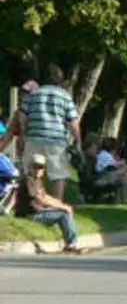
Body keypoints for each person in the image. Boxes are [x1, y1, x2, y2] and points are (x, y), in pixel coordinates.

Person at [18, 66, 81, 201]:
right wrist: (78, 140)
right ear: (60, 80)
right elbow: (73, 122)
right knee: (58, 175)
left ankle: (27, 203)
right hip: (56, 140)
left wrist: (23, 134)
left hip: (34, 137)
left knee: (29, 172)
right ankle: (56, 204)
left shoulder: (33, 94)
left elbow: (22, 115)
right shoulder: (65, 96)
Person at [14, 153, 86, 254]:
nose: (37, 170)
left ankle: (70, 243)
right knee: (63, 214)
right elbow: (41, 199)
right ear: (29, 167)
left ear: (43, 170)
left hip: (38, 212)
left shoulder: (37, 181)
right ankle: (71, 245)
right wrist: (63, 208)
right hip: (30, 215)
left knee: (65, 211)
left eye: (40, 167)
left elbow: (46, 196)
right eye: (35, 167)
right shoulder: (28, 180)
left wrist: (63, 205)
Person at [0, 80, 39, 156]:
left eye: (27, 93)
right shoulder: (19, 113)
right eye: (23, 92)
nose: (23, 95)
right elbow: (8, 135)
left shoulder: (23, 112)